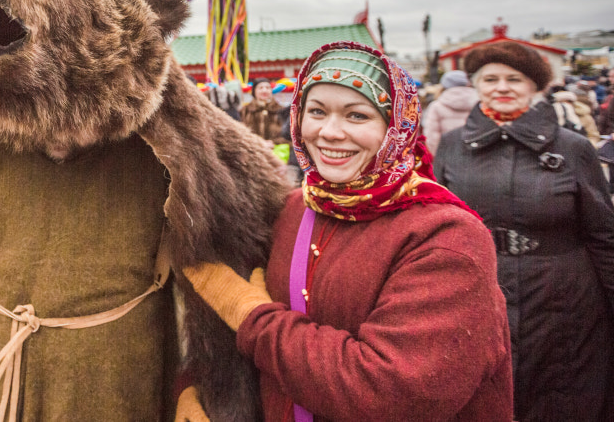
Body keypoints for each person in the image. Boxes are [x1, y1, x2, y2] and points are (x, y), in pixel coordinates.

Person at [180, 41, 512, 421]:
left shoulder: (446, 239)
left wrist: (251, 316)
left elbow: (388, 393)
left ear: (397, 127)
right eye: (316, 111)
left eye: (357, 116)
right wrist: (195, 390)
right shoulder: (295, 208)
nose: (330, 132)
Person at [435, 40, 614, 421]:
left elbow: (604, 233)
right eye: (491, 78)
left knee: (564, 394)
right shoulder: (452, 146)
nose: (502, 87)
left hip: (565, 297)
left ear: (535, 86)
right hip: (481, 286)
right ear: (476, 85)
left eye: (514, 79)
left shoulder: (574, 147)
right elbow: (437, 223)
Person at [421, 69, 478, 155]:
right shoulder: (480, 103)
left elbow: (431, 136)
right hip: (477, 155)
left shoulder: (437, 106)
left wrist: (440, 158)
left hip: (448, 155)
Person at [240, 78, 287, 144]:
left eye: (267, 88)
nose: (264, 90)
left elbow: (289, 135)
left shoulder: (282, 110)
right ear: (254, 91)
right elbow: (239, 134)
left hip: (276, 152)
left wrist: (273, 142)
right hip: (252, 150)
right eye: (260, 88)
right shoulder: (244, 111)